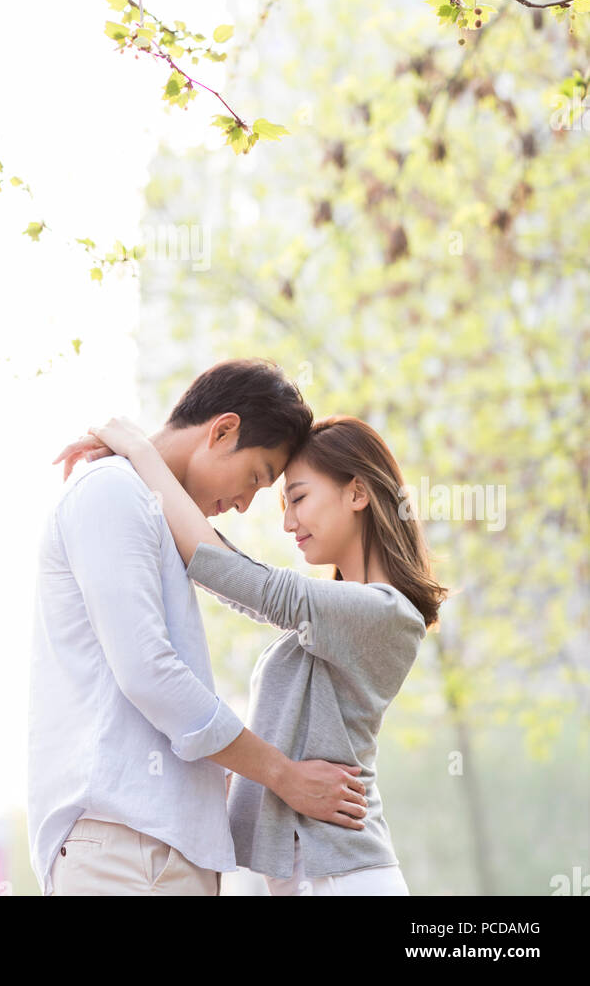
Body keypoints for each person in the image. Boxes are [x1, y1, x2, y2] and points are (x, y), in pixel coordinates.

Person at [57, 410, 449, 896]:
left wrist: (143, 454)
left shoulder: (387, 613)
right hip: (307, 877)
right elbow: (234, 579)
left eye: (299, 498)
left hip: (344, 876)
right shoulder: (333, 625)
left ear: (357, 492)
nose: (287, 522)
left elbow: (242, 581)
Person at [28, 358, 371, 897]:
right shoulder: (111, 492)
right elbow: (148, 673)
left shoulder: (156, 510)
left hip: (167, 852)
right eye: (256, 477)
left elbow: (244, 582)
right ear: (223, 429)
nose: (243, 503)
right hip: (124, 848)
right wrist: (282, 774)